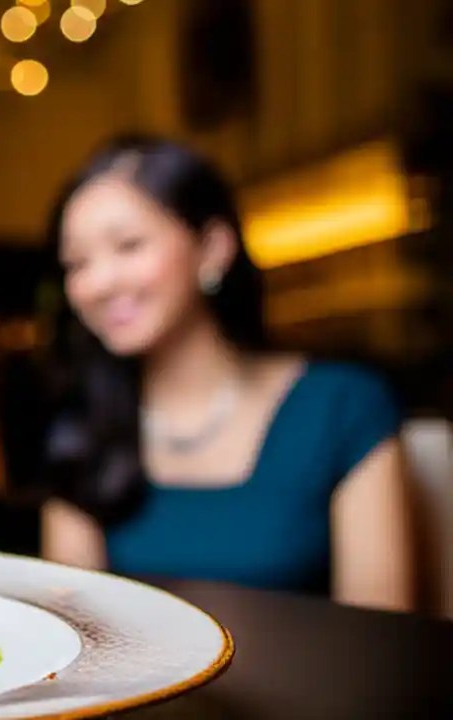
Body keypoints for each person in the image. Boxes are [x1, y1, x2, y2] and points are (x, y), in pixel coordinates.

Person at [37, 136, 415, 611]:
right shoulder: (84, 427)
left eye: (128, 246)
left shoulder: (342, 406)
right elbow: (78, 638)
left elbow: (380, 643)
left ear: (213, 248)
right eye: (77, 263)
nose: (98, 282)